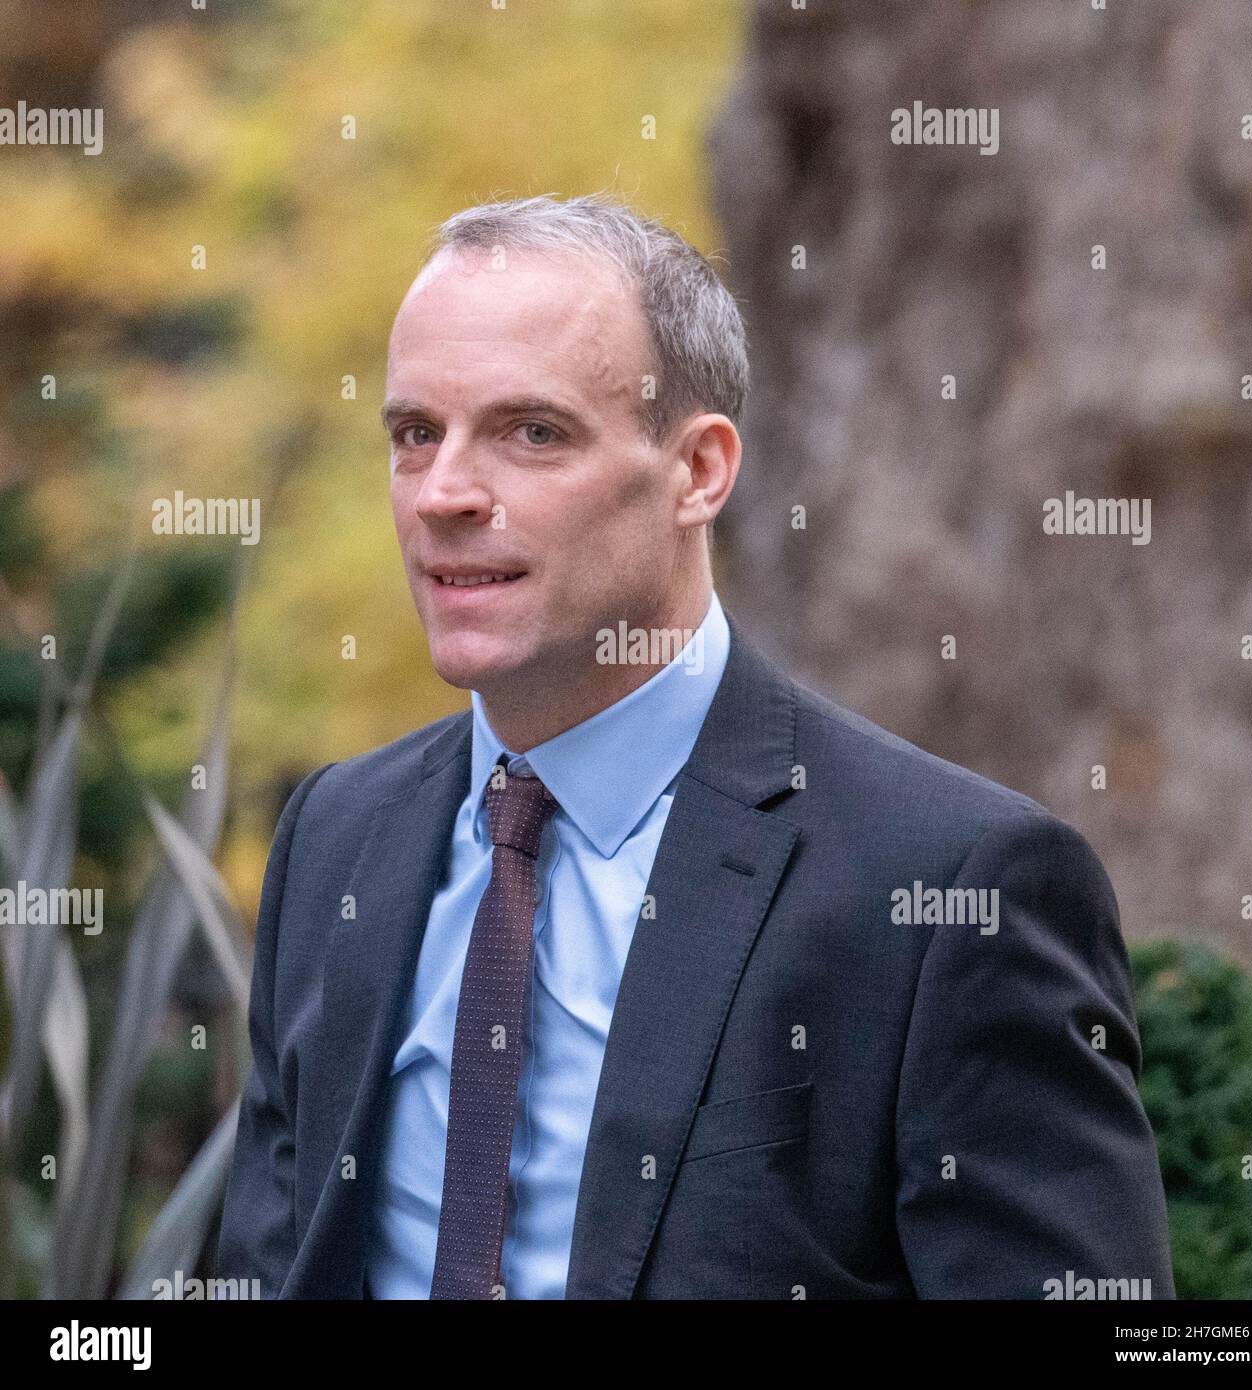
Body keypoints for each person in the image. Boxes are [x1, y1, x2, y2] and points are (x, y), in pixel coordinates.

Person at [216, 193, 1175, 1299]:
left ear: (700, 470)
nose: (443, 494)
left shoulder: (951, 887)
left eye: (532, 433)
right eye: (414, 433)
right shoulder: (337, 836)